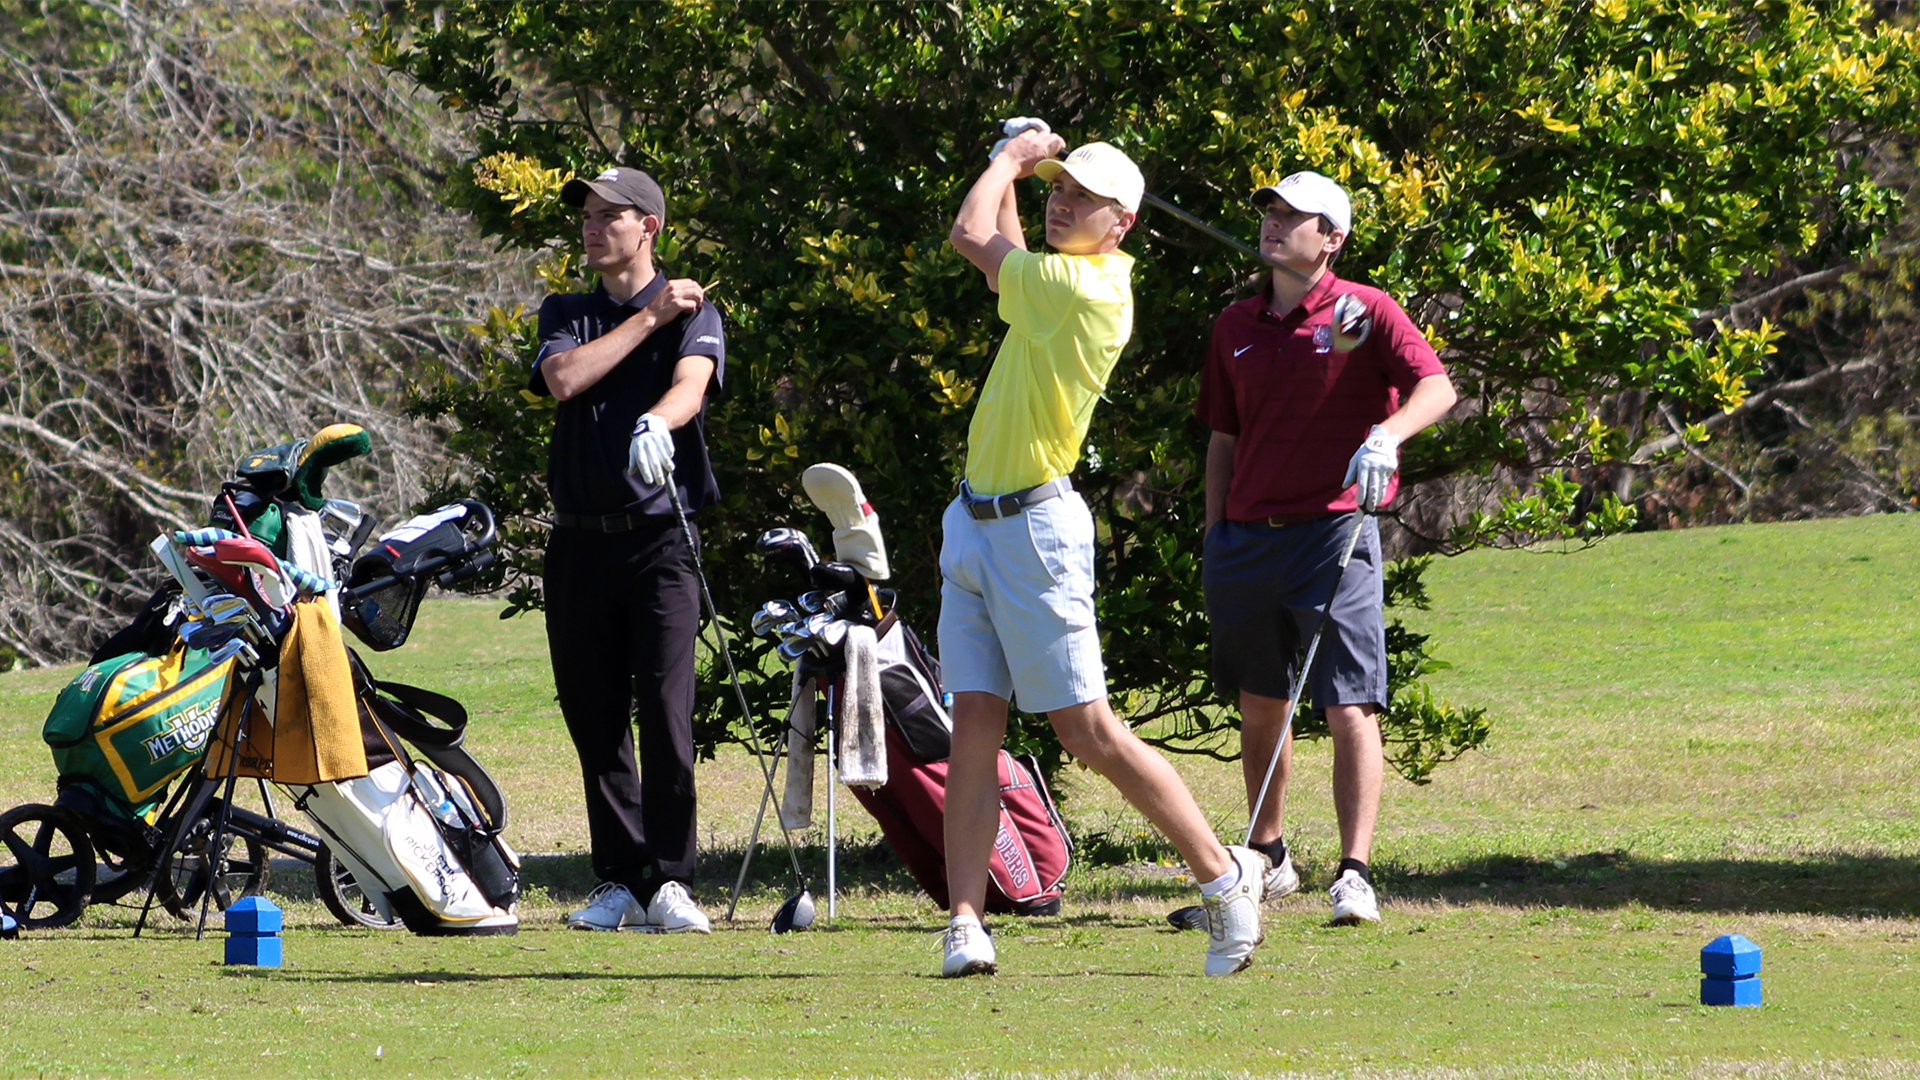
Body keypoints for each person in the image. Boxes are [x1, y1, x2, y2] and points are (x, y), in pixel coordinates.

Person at [938, 126, 1268, 978]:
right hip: (973, 522)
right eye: (1057, 187)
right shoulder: (1052, 277)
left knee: (1086, 730)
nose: (1062, 201)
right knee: (972, 728)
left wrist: (1006, 160)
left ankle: (1226, 877)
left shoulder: (1087, 288)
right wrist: (1015, 169)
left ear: (1119, 223)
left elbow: (972, 237)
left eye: (1081, 197)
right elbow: (1003, 248)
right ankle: (967, 925)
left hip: (1036, 532)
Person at [1184, 170, 1457, 929]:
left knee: (1348, 704)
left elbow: (1436, 387)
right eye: (1269, 212)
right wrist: (1216, 531)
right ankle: (1267, 856)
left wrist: (1386, 433)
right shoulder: (1234, 326)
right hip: (1247, 539)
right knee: (1261, 703)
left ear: (1331, 237)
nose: (1275, 225)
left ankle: (1355, 872)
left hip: (1335, 533)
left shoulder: (1363, 310)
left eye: (1293, 217)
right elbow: (1222, 439)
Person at [530, 166, 725, 934]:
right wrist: (644, 318)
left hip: (659, 545)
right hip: (579, 545)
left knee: (668, 716)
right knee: (595, 717)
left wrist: (660, 423)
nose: (590, 225)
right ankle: (618, 881)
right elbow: (563, 378)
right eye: (586, 213)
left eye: (609, 214)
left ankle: (671, 880)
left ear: (648, 228)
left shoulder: (694, 312)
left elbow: (692, 381)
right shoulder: (569, 312)